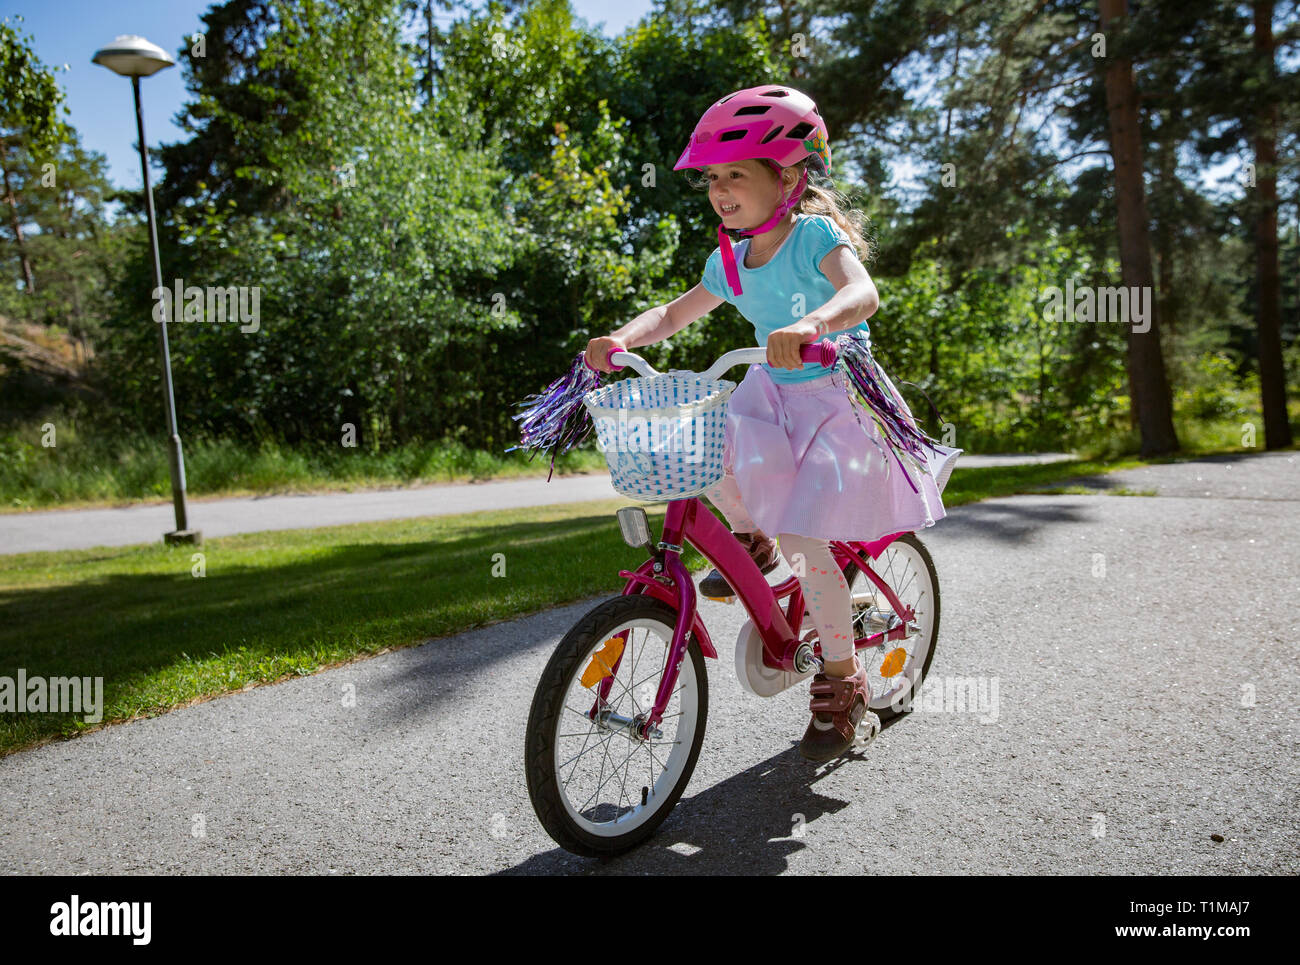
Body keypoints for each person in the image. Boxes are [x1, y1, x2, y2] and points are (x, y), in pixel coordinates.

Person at [584, 84, 961, 763]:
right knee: (708, 450)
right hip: (774, 391)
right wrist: (621, 339)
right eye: (712, 178)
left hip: (836, 397)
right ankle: (752, 542)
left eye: (737, 174)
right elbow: (672, 315)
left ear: (787, 177)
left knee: (808, 541)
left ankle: (845, 684)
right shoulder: (730, 257)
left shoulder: (815, 235)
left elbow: (862, 291)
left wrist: (814, 322)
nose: (720, 190)